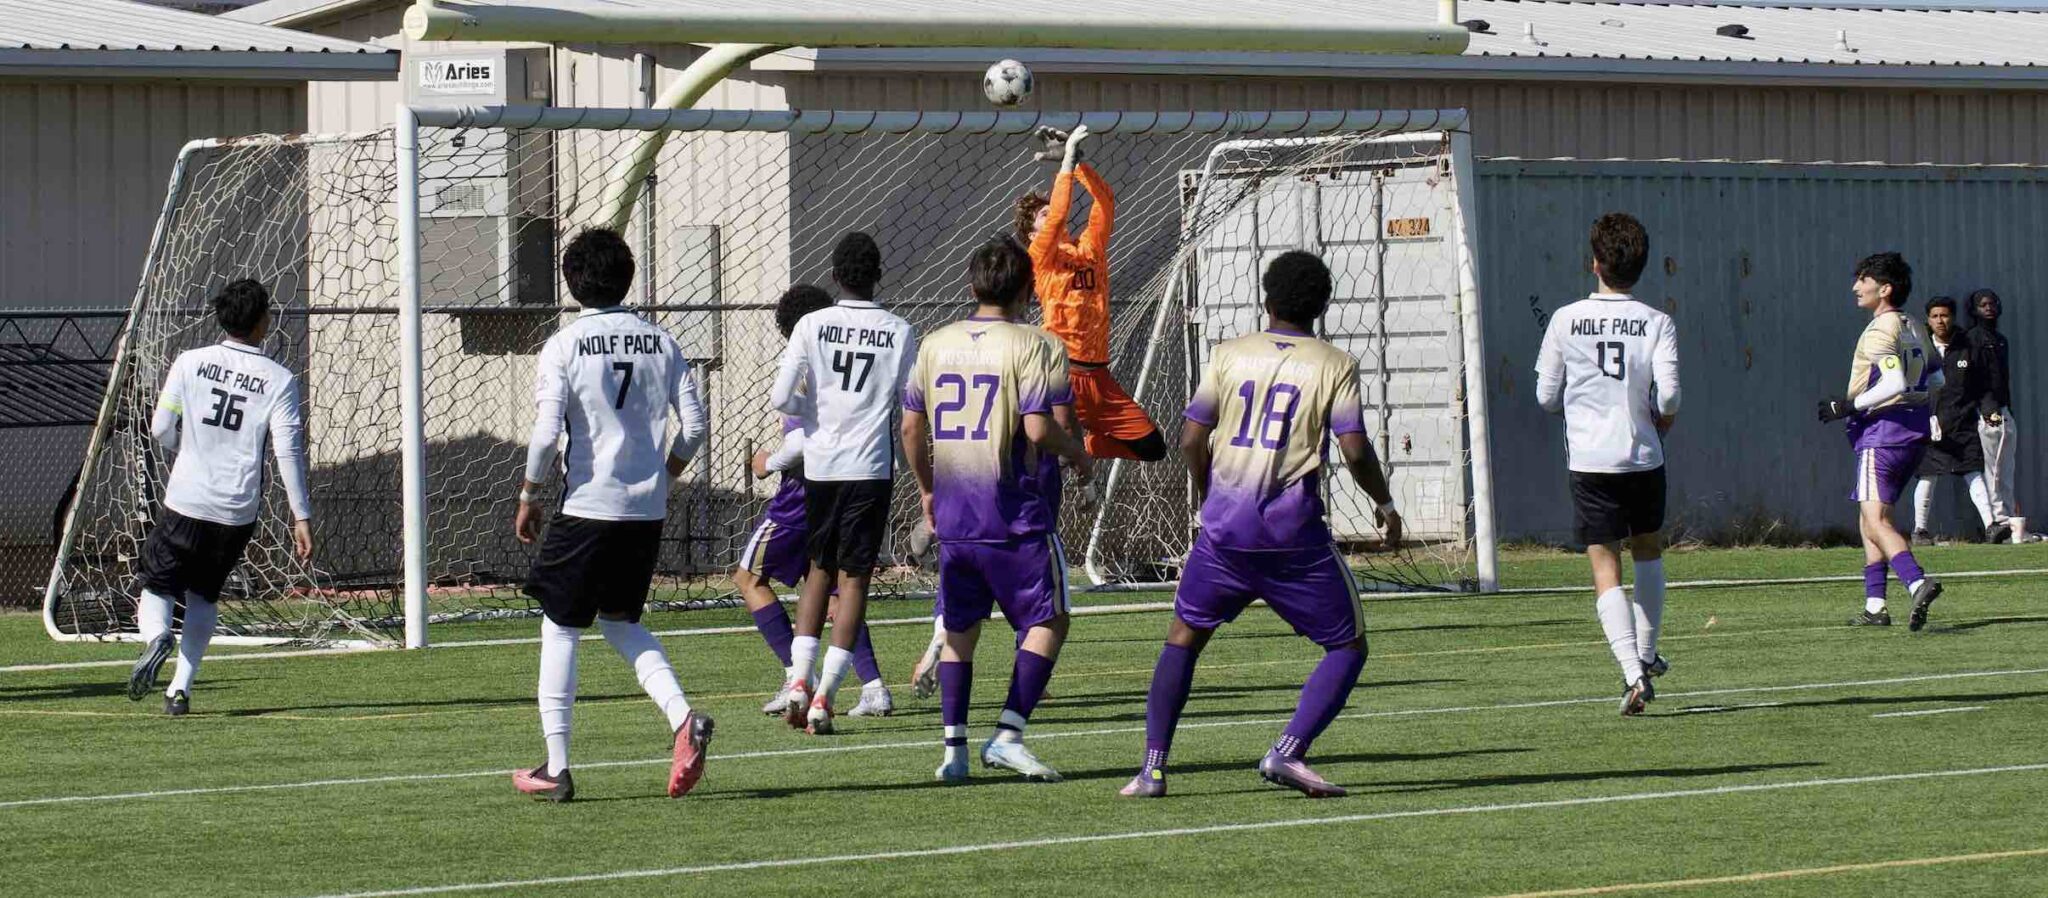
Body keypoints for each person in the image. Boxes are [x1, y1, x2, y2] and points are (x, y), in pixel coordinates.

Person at [1120, 250, 1402, 799]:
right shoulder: (1333, 364)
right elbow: (1353, 448)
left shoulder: (1228, 355)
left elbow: (1189, 439)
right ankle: (1288, 752)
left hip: (1224, 533)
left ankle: (1152, 768)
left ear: (1265, 299)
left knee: (1183, 638)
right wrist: (1385, 504)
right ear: (1322, 305)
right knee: (1348, 647)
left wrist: (1210, 494)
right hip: (1291, 540)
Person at [512, 228, 711, 802]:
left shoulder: (565, 344)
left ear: (572, 281)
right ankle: (683, 720)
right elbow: (695, 428)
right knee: (621, 622)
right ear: (627, 278)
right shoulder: (662, 342)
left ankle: (557, 765)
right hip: (644, 513)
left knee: (560, 625)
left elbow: (548, 433)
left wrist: (529, 494)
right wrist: (662, 477)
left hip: (588, 507)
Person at [903, 236, 1094, 783]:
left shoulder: (935, 343)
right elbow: (1038, 426)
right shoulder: (1036, 344)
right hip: (1014, 514)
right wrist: (1078, 456)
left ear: (972, 285)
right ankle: (1008, 735)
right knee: (1050, 618)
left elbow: (912, 427)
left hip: (958, 518)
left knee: (960, 630)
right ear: (1028, 289)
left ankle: (953, 754)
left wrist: (926, 488)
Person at [125, 279, 313, 716]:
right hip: (236, 509)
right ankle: (180, 690)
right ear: (263, 321)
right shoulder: (279, 380)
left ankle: (157, 637)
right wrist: (300, 515)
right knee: (205, 595)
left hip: (187, 498)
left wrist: (185, 450)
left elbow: (158, 428)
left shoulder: (189, 362)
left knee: (157, 584)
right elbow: (287, 451)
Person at [769, 231, 917, 735]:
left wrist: (814, 413)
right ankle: (826, 696)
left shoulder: (812, 324)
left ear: (834, 276)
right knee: (854, 580)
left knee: (818, 570)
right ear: (879, 275)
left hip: (823, 466)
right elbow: (910, 401)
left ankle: (798, 682)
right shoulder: (898, 329)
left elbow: (781, 397)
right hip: (870, 466)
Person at [1533, 213, 1680, 717]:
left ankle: (1632, 671)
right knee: (1648, 550)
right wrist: (1663, 417)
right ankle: (1645, 652)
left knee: (1604, 564)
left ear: (1594, 262)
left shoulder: (1564, 318)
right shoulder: (1657, 321)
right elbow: (1673, 393)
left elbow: (1546, 396)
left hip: (1591, 458)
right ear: (1641, 266)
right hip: (1642, 455)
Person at [737, 285, 893, 719]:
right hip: (853, 480)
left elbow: (804, 438)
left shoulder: (808, 364)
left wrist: (768, 462)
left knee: (749, 576)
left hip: (804, 491)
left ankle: (796, 676)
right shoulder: (850, 353)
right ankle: (874, 686)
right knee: (831, 590)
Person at [1015, 124, 1166, 463]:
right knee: (1040, 458)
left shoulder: (1089, 248)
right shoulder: (1040, 256)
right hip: (1063, 370)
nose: (1051, 215)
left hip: (1099, 375)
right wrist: (1065, 166)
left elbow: (1105, 202)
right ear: (1031, 232)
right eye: (1041, 214)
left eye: (1048, 210)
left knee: (1153, 447)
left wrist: (1079, 164)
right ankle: (1060, 459)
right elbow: (1056, 217)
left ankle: (1081, 448)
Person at [1817, 252, 1945, 631]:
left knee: (1875, 518)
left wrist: (1848, 405)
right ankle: (1875, 606)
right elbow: (1935, 380)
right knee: (1871, 517)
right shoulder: (1915, 325)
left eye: (1863, 279)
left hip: (1882, 433)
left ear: (1884, 288)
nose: (1856, 287)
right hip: (1913, 432)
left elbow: (1893, 383)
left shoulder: (1879, 328)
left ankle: (1917, 582)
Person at [1911, 296, 1995, 543]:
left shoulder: (1968, 346)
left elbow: (1983, 385)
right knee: (1928, 475)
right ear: (1928, 320)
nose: (1940, 321)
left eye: (1945, 315)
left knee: (1973, 472)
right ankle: (1920, 530)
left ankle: (1992, 526)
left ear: (1953, 317)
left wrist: (1990, 410)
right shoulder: (1919, 348)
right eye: (1935, 316)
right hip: (1929, 423)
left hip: (1962, 422)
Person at [1968, 288, 2019, 539]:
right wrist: (1986, 407)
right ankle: (1999, 521)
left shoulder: (2000, 339)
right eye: (1983, 304)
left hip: (2004, 408)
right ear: (1974, 310)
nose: (1988, 308)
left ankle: (2011, 519)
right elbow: (1974, 379)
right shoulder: (1973, 339)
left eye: (1992, 303)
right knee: (1994, 468)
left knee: (2007, 467)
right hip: (1988, 410)